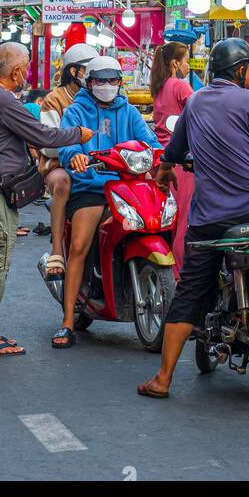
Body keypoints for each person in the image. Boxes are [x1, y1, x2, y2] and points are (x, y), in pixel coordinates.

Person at [138, 37, 249, 399]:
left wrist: (163, 173)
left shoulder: (194, 104)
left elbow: (173, 153)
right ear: (242, 71)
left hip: (211, 218)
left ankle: (162, 379)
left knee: (191, 291)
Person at [0, 42, 92, 357]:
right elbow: (43, 135)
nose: (28, 74)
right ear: (17, 71)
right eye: (27, 68)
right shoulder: (1, 99)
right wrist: (78, 134)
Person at [56, 55, 160, 349]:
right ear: (88, 83)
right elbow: (67, 141)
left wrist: (160, 153)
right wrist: (73, 155)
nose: (106, 86)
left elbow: (150, 142)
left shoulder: (128, 111)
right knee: (78, 246)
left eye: (112, 80)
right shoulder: (76, 111)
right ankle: (67, 321)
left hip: (126, 186)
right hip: (90, 188)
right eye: (100, 81)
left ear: (119, 82)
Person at [36, 43, 96, 280]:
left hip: (93, 163)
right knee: (62, 183)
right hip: (58, 164)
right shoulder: (54, 100)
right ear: (74, 72)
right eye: (88, 70)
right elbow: (48, 144)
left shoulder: (99, 98)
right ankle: (57, 251)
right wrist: (74, 149)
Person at [150, 41, 194, 275]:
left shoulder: (160, 85)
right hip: (181, 163)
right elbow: (200, 114)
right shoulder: (179, 85)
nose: (187, 66)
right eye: (186, 61)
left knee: (171, 218)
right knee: (184, 219)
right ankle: (180, 273)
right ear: (176, 63)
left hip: (162, 159)